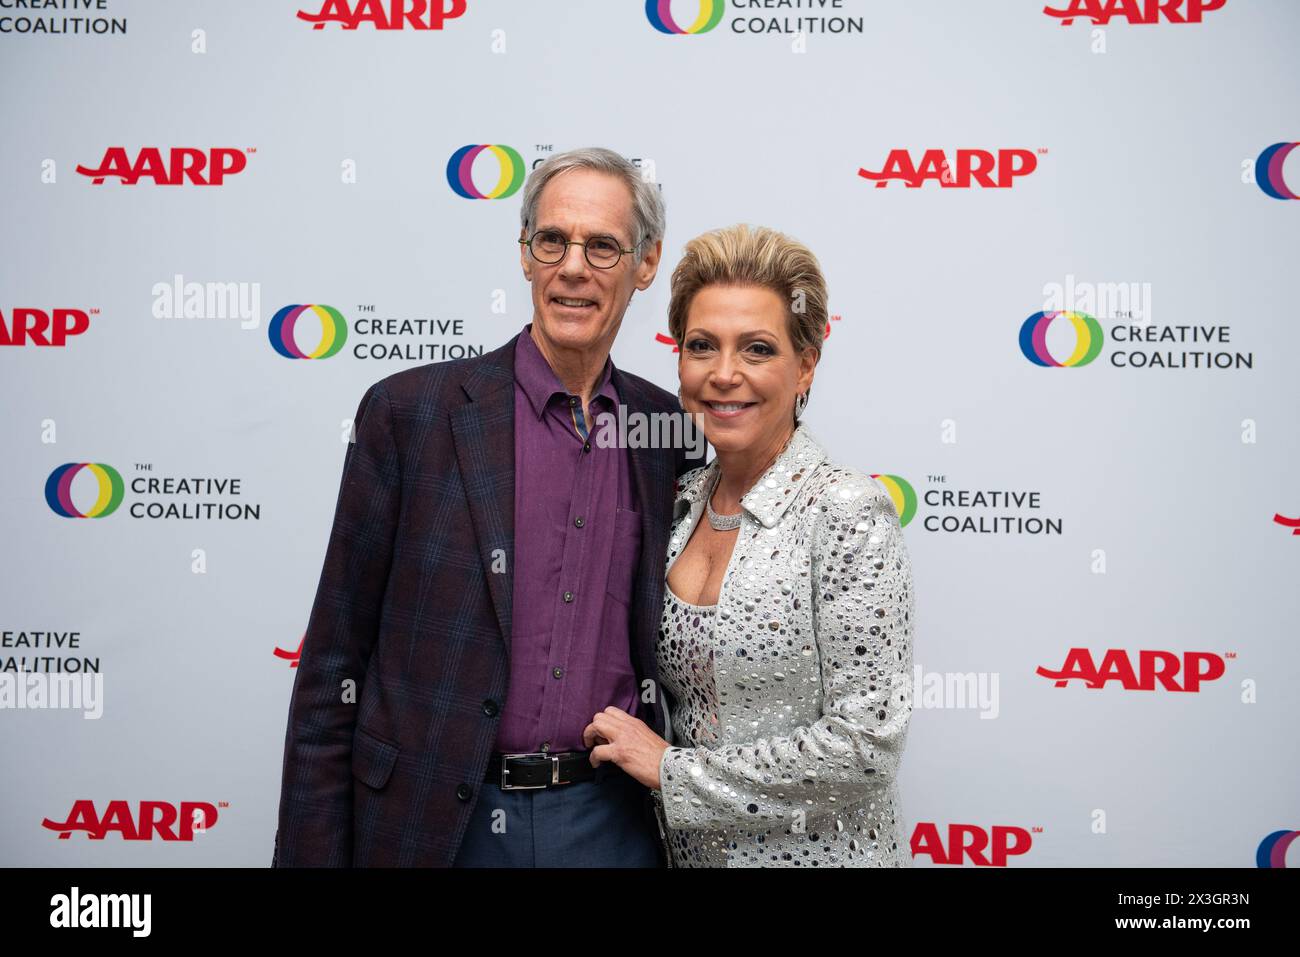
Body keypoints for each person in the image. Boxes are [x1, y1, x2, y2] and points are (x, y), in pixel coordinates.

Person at [273, 147, 701, 867]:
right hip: (438, 823)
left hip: (609, 823)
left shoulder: (669, 435)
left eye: (602, 246)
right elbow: (333, 663)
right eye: (552, 240)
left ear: (646, 262)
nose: (573, 266)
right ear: (525, 256)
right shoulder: (411, 416)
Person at [583, 223, 916, 866]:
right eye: (702, 345)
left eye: (757, 349)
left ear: (806, 365)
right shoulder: (676, 501)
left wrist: (674, 773)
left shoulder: (845, 510)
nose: (724, 374)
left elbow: (868, 742)